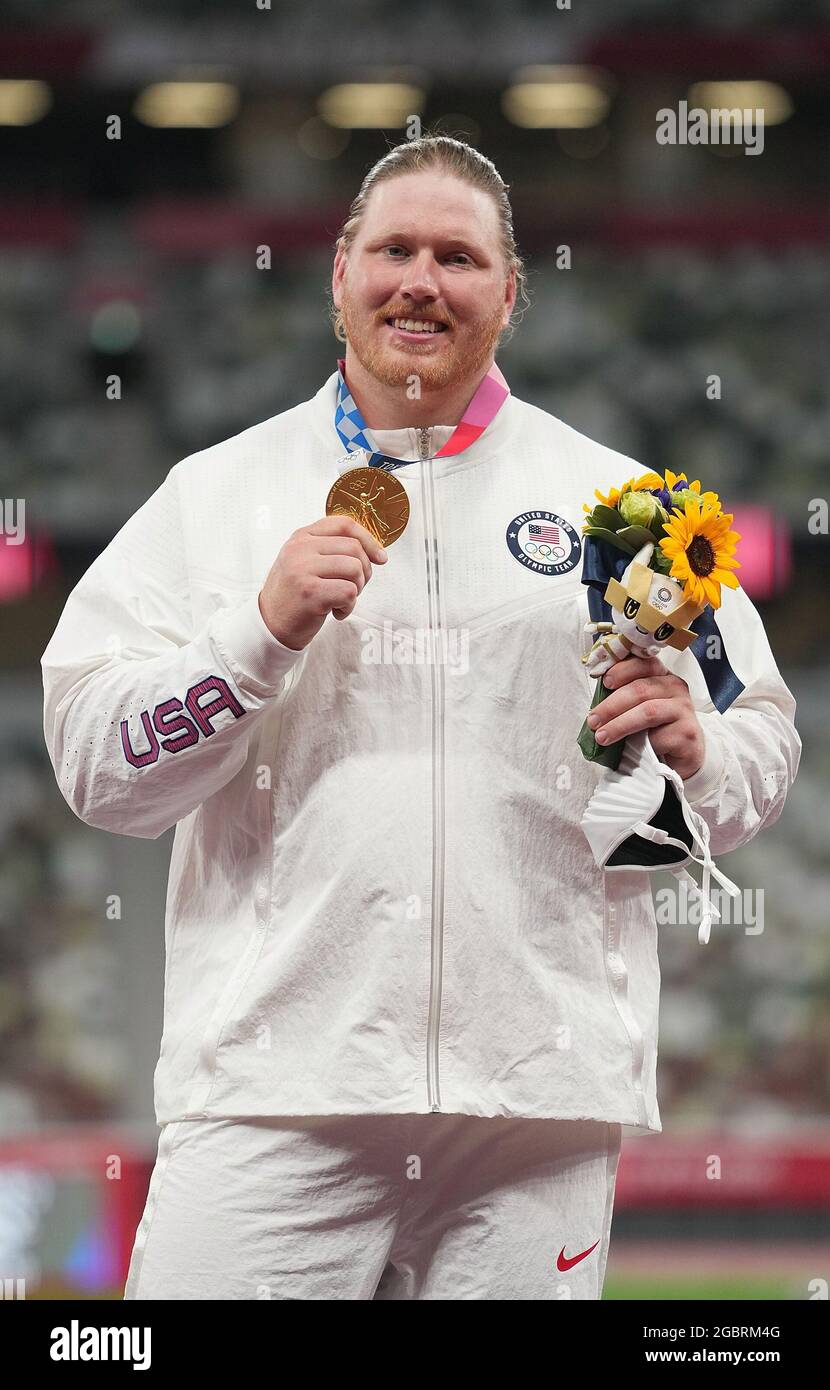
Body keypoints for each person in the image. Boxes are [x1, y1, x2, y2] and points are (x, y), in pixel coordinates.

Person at [40, 135, 801, 1300]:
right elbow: (96, 764)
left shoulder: (620, 506)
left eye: (458, 256)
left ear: (508, 293)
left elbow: (761, 729)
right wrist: (256, 635)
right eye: (393, 248)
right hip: (275, 1086)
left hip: (534, 1098)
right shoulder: (218, 496)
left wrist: (695, 756)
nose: (420, 280)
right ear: (339, 271)